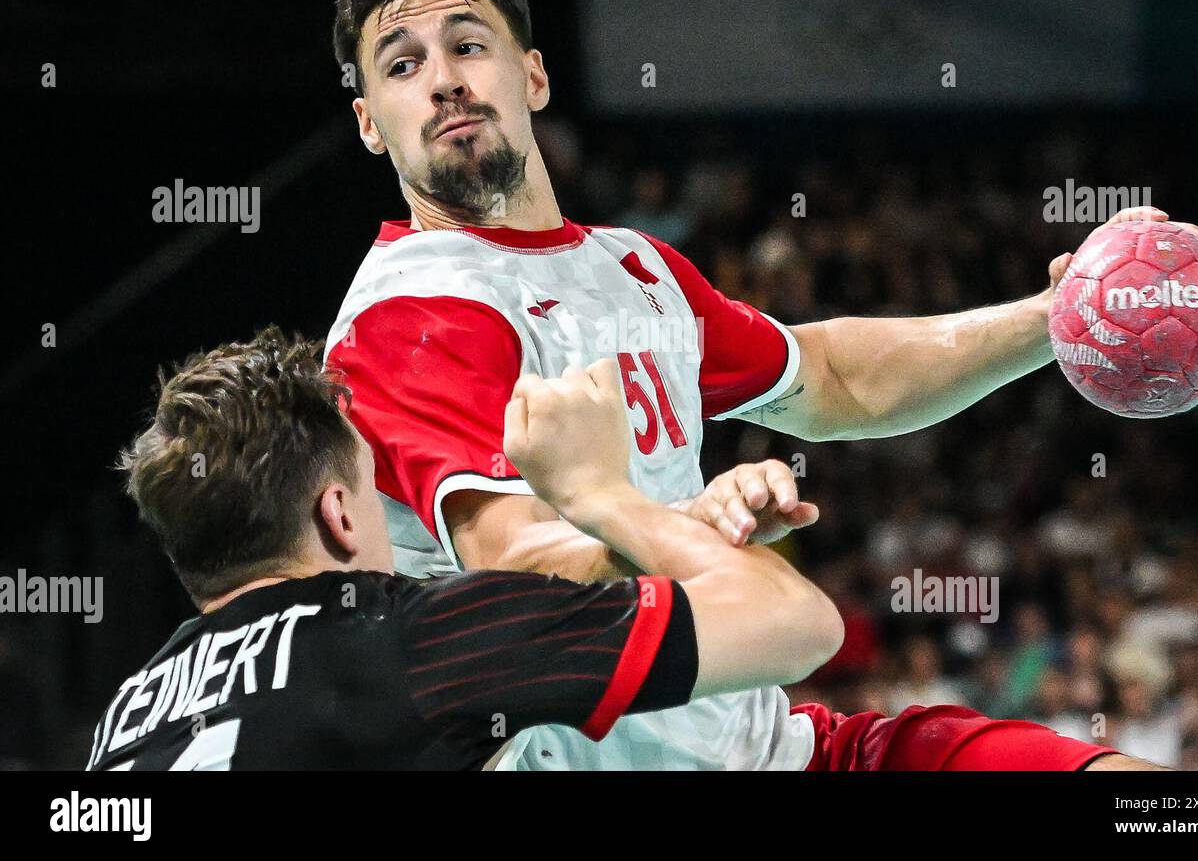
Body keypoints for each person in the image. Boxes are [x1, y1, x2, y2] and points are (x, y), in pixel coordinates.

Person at [326, 0, 1182, 770]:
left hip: (769, 746)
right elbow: (511, 565)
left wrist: (1051, 318)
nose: (443, 82)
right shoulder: (409, 314)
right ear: (370, 124)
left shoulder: (634, 267)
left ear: (534, 75)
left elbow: (836, 379)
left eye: (468, 45)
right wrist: (681, 528)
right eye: (403, 65)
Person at [87, 328, 841, 770]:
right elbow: (799, 623)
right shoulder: (412, 637)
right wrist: (598, 494)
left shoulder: (123, 719)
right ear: (339, 514)